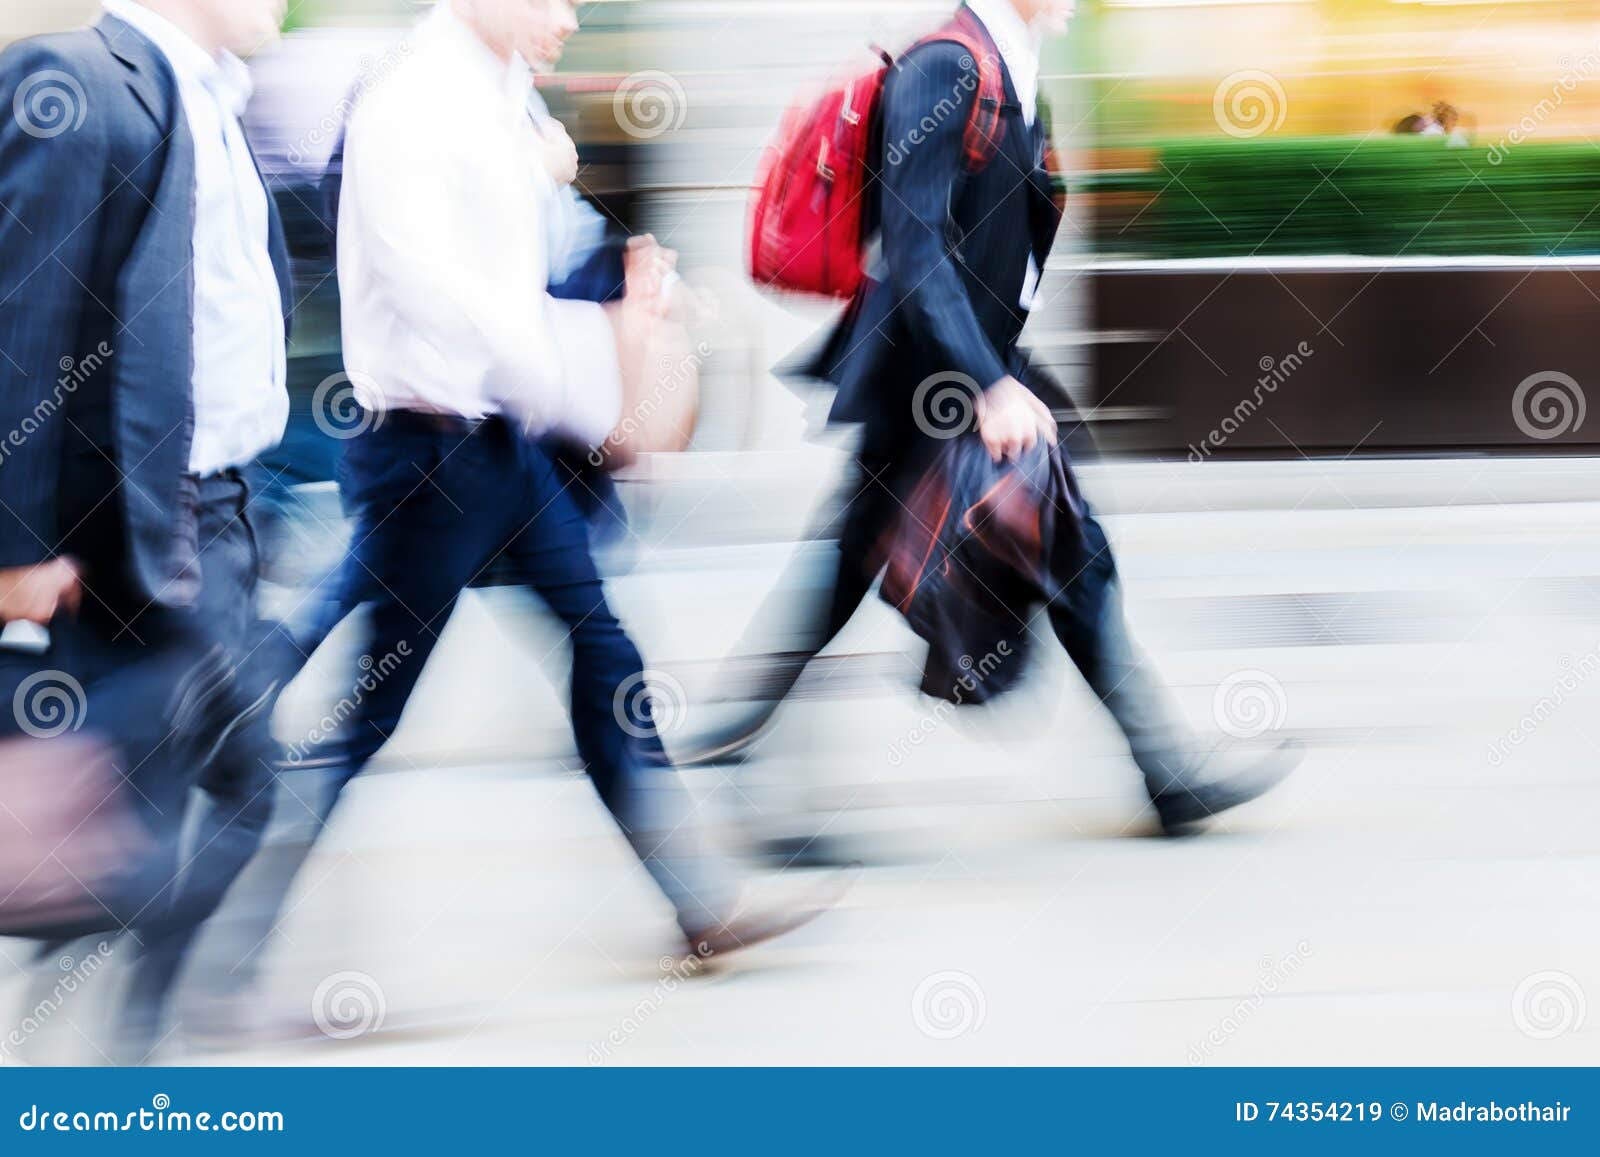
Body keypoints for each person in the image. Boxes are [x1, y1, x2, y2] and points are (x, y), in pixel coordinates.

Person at [232, 0, 836, 1014]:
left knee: (604, 650)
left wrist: (595, 280)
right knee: (366, 712)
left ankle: (700, 902)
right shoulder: (415, 100)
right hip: (431, 453)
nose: (568, 17)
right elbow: (441, 295)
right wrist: (593, 371)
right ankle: (222, 933)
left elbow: (503, 274)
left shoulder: (494, 98)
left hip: (498, 447)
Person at [681, 0, 1300, 838]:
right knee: (911, 560)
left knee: (1038, 553)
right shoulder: (949, 67)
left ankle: (1162, 771)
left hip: (973, 361)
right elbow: (915, 244)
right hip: (931, 373)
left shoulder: (1013, 69)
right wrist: (985, 384)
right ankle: (1163, 771)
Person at [0, 0, 296, 1058]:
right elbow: (20, 324)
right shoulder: (77, 81)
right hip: (130, 528)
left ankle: (111, 1042)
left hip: (222, 509)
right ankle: (92, 1056)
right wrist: (13, 550)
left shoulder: (215, 102)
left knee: (226, 789)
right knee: (163, 808)